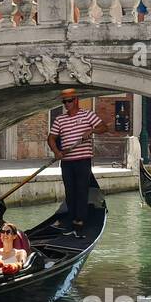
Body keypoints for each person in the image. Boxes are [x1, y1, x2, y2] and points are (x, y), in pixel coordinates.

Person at [47, 88, 107, 237]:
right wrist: (57, 152)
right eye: (64, 101)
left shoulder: (87, 115)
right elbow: (51, 138)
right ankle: (71, 217)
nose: (66, 104)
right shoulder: (60, 119)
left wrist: (91, 131)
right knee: (70, 191)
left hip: (82, 160)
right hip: (67, 162)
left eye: (69, 101)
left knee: (81, 190)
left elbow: (103, 127)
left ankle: (80, 220)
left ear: (76, 100)